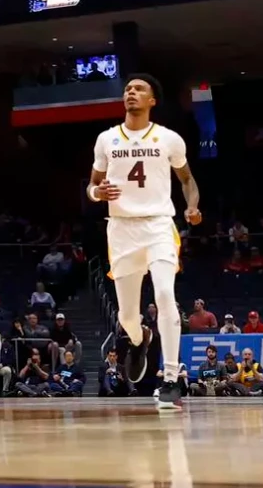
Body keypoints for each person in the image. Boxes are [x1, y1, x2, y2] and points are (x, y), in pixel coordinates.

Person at [90, 76, 202, 411]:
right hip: (121, 229)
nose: (131, 93)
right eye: (127, 89)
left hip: (157, 225)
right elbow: (92, 185)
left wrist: (192, 205)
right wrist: (97, 193)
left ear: (152, 100)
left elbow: (187, 179)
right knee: (127, 317)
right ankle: (140, 340)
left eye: (138, 89)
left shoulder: (169, 139)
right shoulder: (106, 139)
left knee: (166, 294)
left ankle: (170, 378)